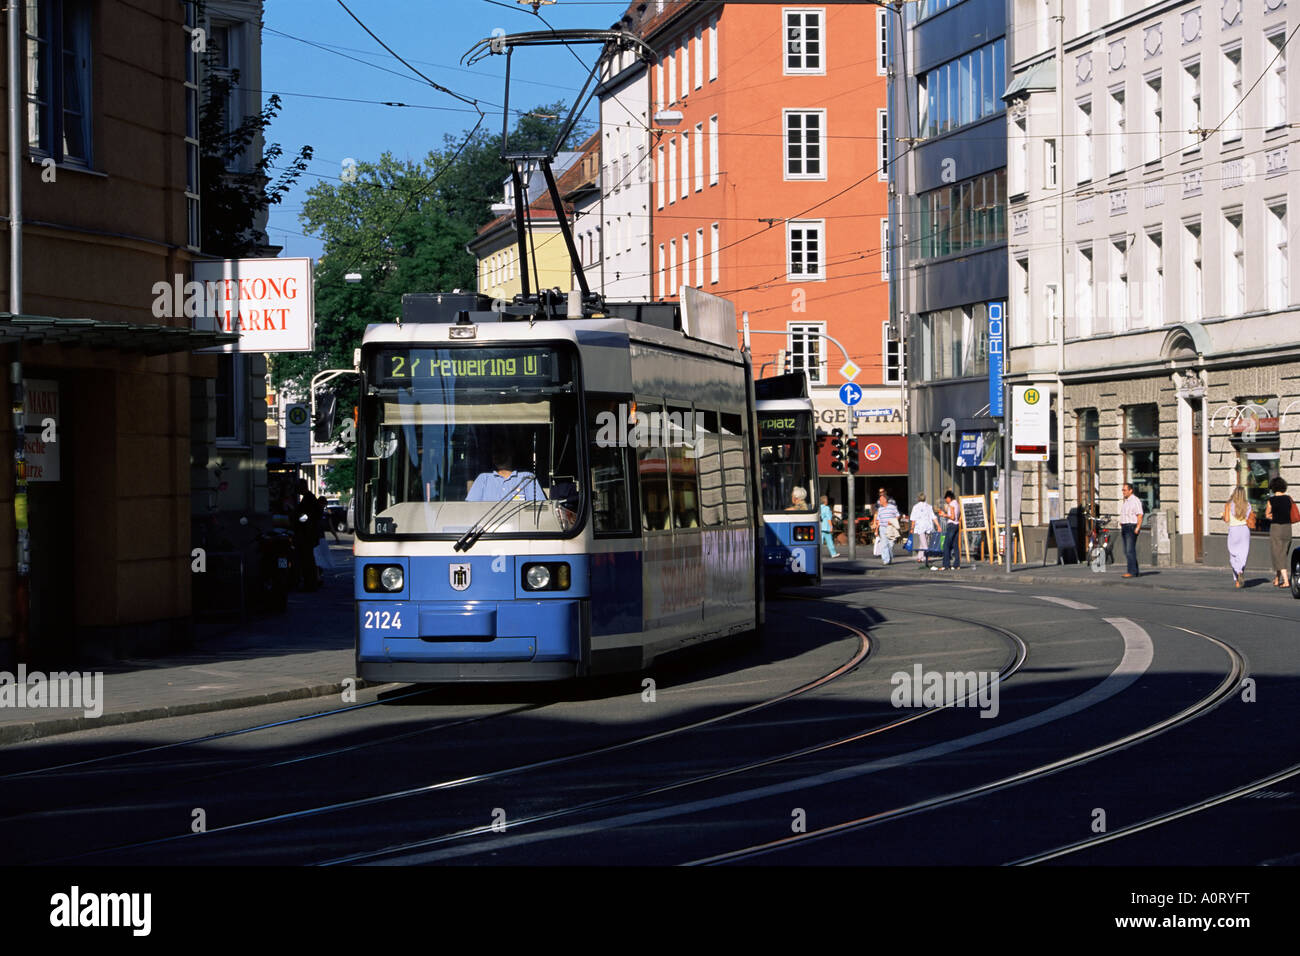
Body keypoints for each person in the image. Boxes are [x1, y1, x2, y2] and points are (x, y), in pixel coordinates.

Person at [467, 447, 545, 502]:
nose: (498, 456)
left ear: (511, 454)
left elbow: (539, 507)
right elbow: (471, 509)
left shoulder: (527, 477)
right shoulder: (483, 478)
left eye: (502, 452)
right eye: (495, 452)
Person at [291, 479, 324, 590]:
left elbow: (306, 517)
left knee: (307, 560)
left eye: (298, 487)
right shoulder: (309, 498)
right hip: (308, 534)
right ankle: (310, 582)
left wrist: (296, 515)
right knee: (308, 559)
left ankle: (309, 583)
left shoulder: (309, 499)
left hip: (307, 535)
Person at [1264, 476, 1294, 588]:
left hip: (1276, 528)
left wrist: (1273, 516)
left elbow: (1267, 515)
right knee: (1283, 553)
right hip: (1287, 528)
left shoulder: (1271, 500)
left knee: (1277, 553)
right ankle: (1277, 578)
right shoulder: (1288, 499)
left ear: (1272, 487)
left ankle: (1286, 581)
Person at [1222, 486, 1252, 588]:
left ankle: (1237, 577)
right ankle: (1240, 574)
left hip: (1234, 530)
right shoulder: (1247, 505)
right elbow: (1248, 518)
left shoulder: (1228, 505)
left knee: (1233, 555)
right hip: (1244, 530)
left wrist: (1222, 516)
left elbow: (1226, 519)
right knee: (1242, 555)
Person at [909, 492, 942, 568]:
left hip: (920, 527)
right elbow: (933, 517)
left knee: (923, 543)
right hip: (928, 526)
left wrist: (912, 528)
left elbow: (913, 519)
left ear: (918, 499)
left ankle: (922, 557)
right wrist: (938, 526)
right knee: (924, 542)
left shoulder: (915, 507)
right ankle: (925, 556)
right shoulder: (929, 506)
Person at [1119, 482, 1144, 578]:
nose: (1123, 492)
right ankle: (1135, 570)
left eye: (1125, 490)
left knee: (1129, 550)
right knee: (1127, 550)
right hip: (1125, 527)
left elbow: (1140, 514)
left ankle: (1132, 572)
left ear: (1130, 490)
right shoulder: (1126, 501)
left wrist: (1138, 527)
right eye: (1122, 490)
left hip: (1131, 527)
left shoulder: (1135, 501)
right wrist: (1121, 522)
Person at [871, 490, 900, 565]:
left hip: (891, 527)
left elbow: (897, 515)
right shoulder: (880, 509)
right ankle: (886, 560)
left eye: (880, 500)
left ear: (885, 500)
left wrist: (893, 521)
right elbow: (878, 520)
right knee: (884, 544)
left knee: (890, 543)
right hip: (883, 528)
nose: (879, 501)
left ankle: (889, 556)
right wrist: (876, 530)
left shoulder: (892, 507)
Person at [940, 490, 961, 570]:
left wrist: (944, 515)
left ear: (949, 498)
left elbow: (952, 517)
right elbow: (959, 516)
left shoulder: (951, 504)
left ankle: (946, 564)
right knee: (955, 546)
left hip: (951, 525)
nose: (946, 500)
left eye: (946, 499)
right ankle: (957, 565)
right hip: (957, 525)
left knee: (946, 545)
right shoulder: (957, 504)